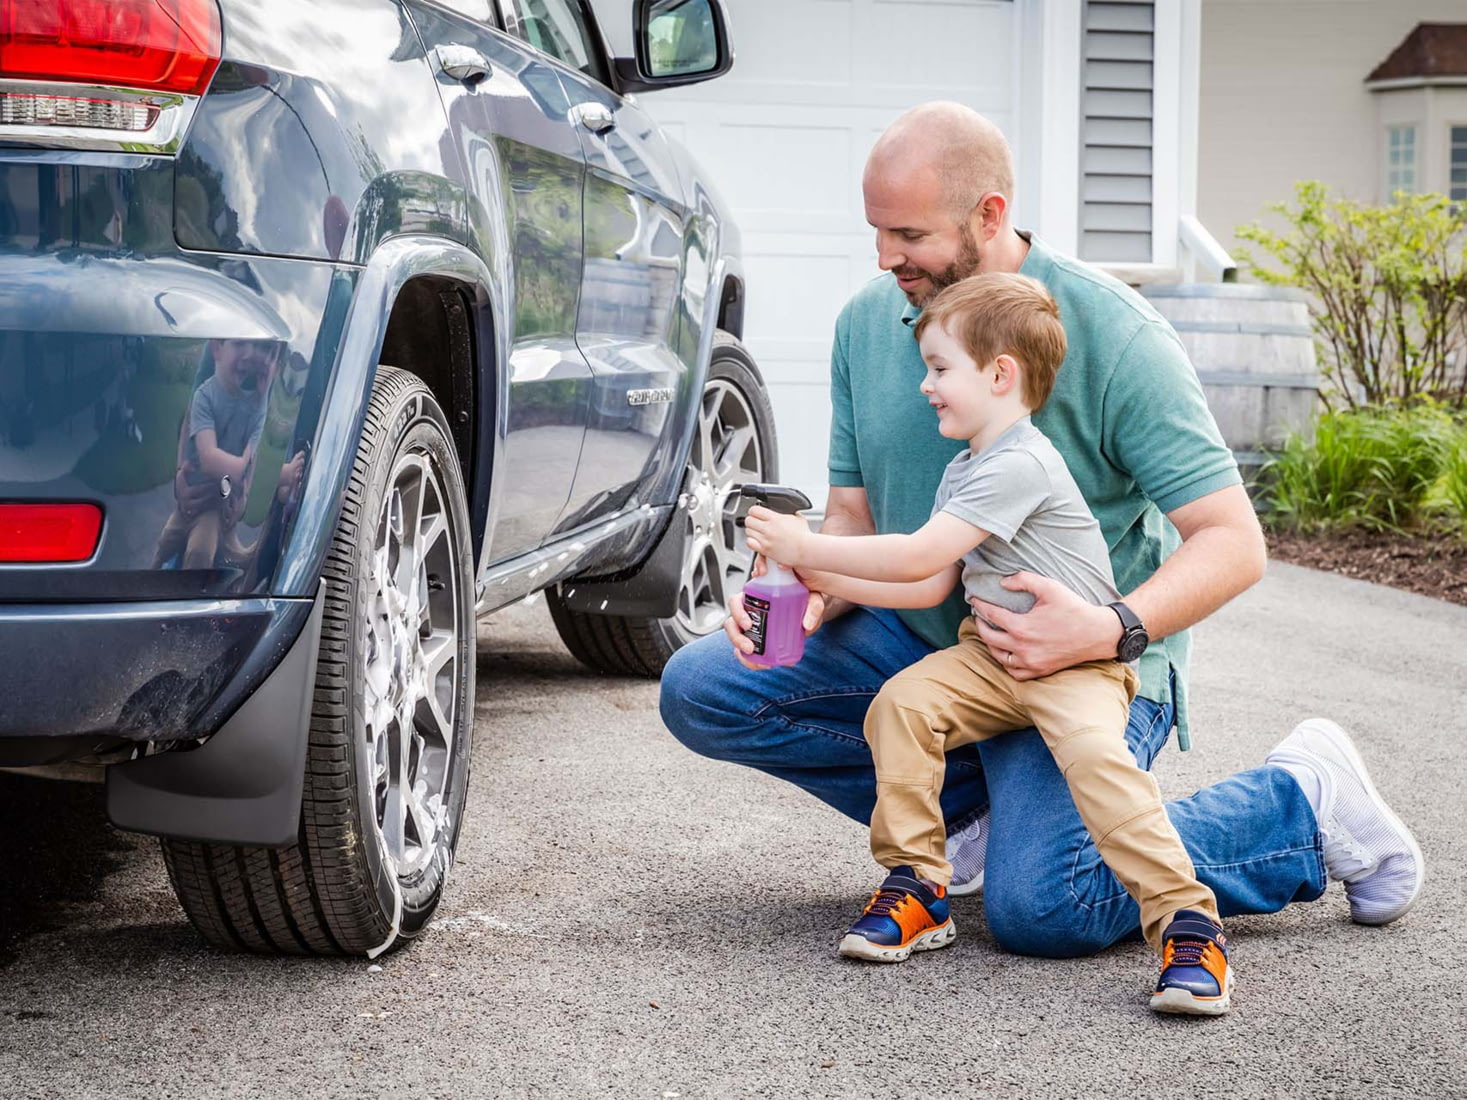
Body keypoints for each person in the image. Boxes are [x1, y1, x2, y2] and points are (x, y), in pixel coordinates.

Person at [659, 101, 1423, 968]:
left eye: (907, 234)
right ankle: (973, 810)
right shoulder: (866, 324)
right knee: (707, 687)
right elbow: (853, 520)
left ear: (988, 215)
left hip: (1089, 660)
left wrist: (1109, 627)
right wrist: (803, 592)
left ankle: (1299, 810)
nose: (884, 259)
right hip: (935, 643)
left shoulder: (1115, 334)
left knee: (1047, 907)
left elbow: (1230, 539)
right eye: (875, 231)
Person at [745, 272, 1232, 1013]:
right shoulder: (967, 466)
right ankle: (918, 884)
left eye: (939, 368)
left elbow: (913, 555)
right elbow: (927, 586)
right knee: (902, 704)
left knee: (1098, 766)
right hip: (991, 655)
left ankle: (1187, 924)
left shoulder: (1021, 462)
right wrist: (811, 580)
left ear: (1000, 374)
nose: (925, 386)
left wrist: (802, 544)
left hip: (1076, 663)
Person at [153, 338, 277, 570]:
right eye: (241, 345)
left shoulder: (255, 405)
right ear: (218, 349)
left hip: (218, 498)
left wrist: (243, 495)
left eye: (265, 350)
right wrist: (183, 471)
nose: (251, 355)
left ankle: (190, 593)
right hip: (203, 486)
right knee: (168, 540)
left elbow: (255, 443)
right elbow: (209, 452)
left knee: (200, 550)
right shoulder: (207, 394)